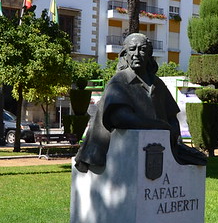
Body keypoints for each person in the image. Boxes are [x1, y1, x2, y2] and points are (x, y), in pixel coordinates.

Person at [74, 33, 207, 173]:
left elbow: (172, 117)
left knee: (199, 160)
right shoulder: (119, 81)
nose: (136, 54)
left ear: (149, 55)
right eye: (132, 49)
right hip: (118, 150)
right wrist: (159, 125)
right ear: (125, 54)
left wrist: (177, 141)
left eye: (142, 49)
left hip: (160, 146)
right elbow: (120, 118)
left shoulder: (157, 83)